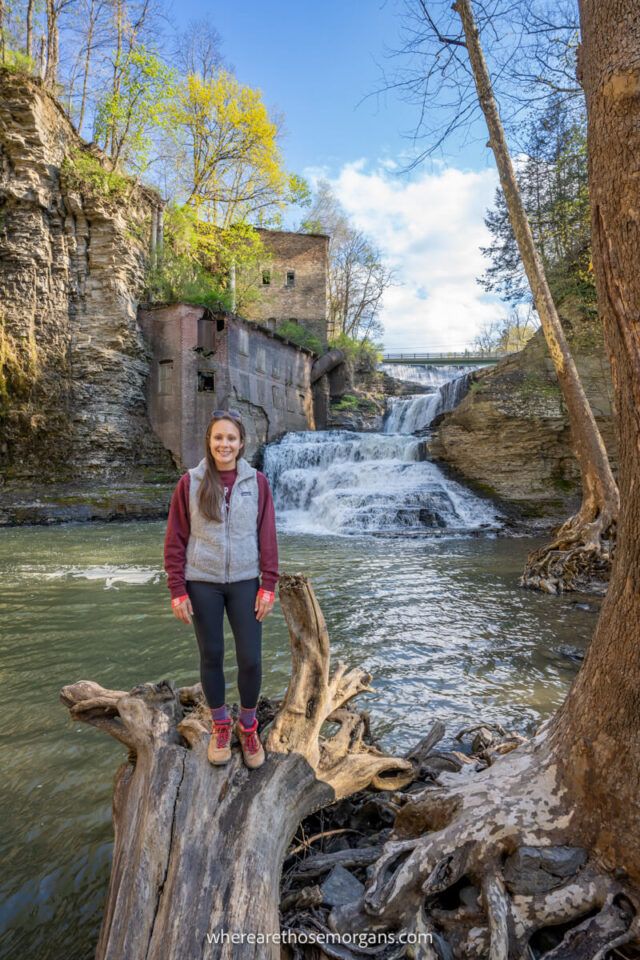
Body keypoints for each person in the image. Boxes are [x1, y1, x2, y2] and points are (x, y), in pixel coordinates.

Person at [164, 409, 278, 769]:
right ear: (209, 442)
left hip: (246, 581)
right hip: (202, 582)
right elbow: (176, 538)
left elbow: (267, 535)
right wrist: (177, 589)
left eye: (231, 438)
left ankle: (248, 725)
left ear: (241, 443)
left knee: (251, 658)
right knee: (211, 655)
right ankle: (220, 725)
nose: (224, 444)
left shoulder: (257, 482)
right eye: (218, 438)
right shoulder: (190, 482)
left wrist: (269, 584)